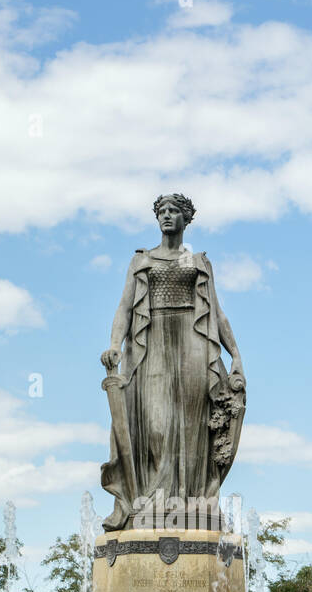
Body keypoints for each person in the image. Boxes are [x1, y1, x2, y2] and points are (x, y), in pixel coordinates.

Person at [98, 193, 246, 531]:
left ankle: (191, 502)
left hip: (193, 341)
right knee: (157, 425)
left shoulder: (198, 262)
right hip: (151, 344)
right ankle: (152, 500)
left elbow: (218, 313)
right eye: (162, 211)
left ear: (186, 218)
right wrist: (114, 344)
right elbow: (124, 307)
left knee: (193, 426)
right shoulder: (141, 260)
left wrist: (235, 354)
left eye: (174, 211)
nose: (167, 216)